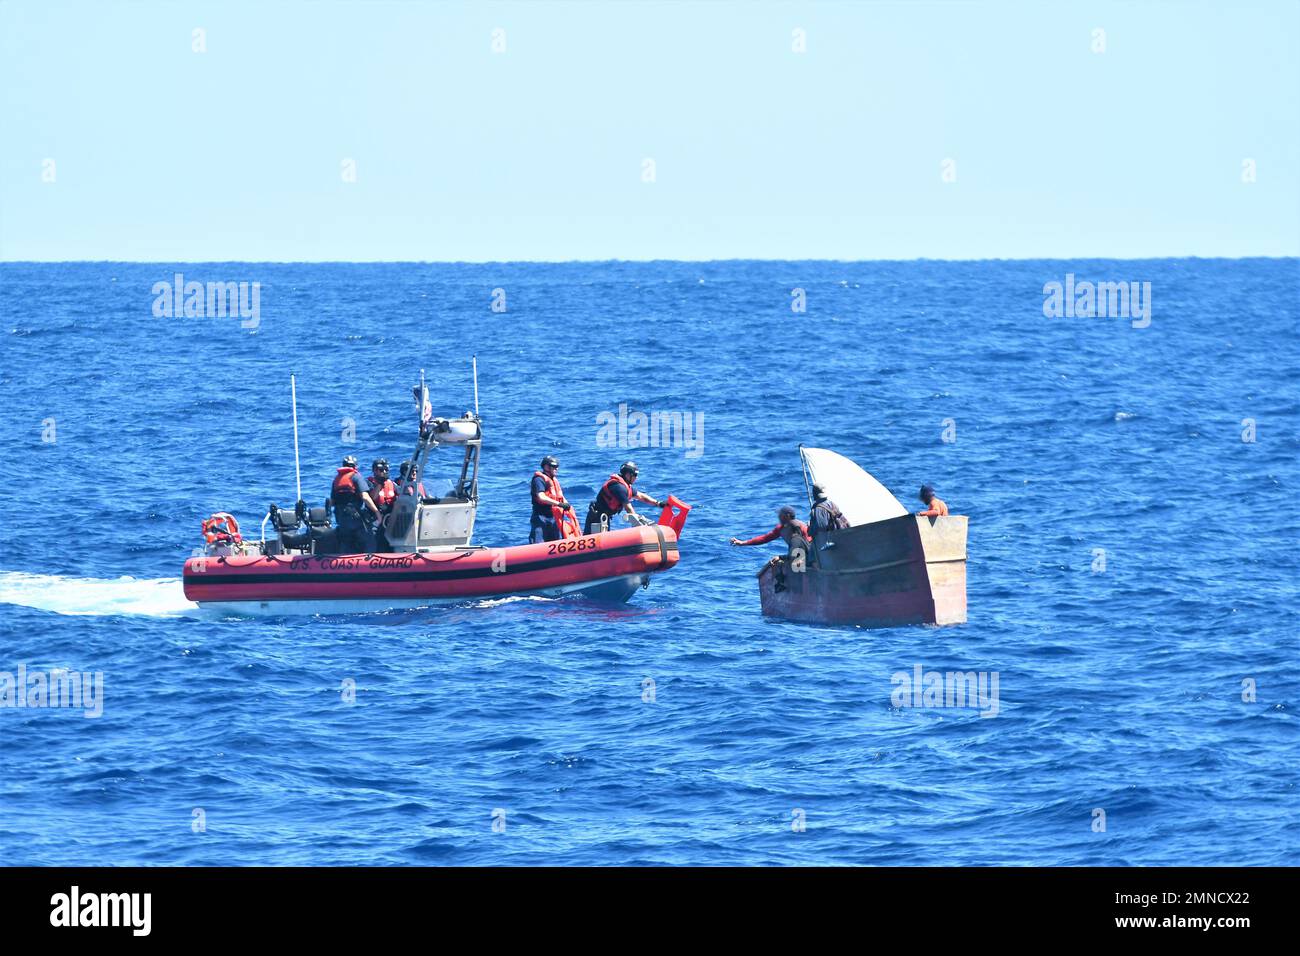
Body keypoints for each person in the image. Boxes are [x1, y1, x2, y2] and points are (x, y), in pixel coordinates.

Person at [584, 461, 666, 534]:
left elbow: (641, 496)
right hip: (596, 517)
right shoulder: (618, 487)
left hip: (605, 517)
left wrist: (658, 503)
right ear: (627, 475)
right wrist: (639, 526)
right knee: (591, 542)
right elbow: (629, 509)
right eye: (635, 475)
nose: (636, 477)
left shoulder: (625, 486)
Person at [330, 455, 381, 553]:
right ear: (355, 466)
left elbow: (332, 503)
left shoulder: (336, 480)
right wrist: (376, 512)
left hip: (341, 517)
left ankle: (346, 564)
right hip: (355, 517)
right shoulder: (356, 477)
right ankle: (369, 563)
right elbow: (365, 497)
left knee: (346, 543)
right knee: (369, 540)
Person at [530, 455, 575, 543]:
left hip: (554, 516)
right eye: (554, 467)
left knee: (555, 541)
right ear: (546, 467)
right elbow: (541, 497)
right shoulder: (539, 480)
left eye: (557, 467)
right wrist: (559, 504)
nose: (556, 469)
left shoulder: (553, 480)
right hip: (541, 516)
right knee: (538, 542)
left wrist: (567, 506)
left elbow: (560, 496)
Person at [730, 506, 812, 549]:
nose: (779, 517)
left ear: (787, 516)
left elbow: (808, 544)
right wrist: (743, 543)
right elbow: (765, 538)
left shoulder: (799, 527)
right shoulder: (781, 528)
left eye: (780, 515)